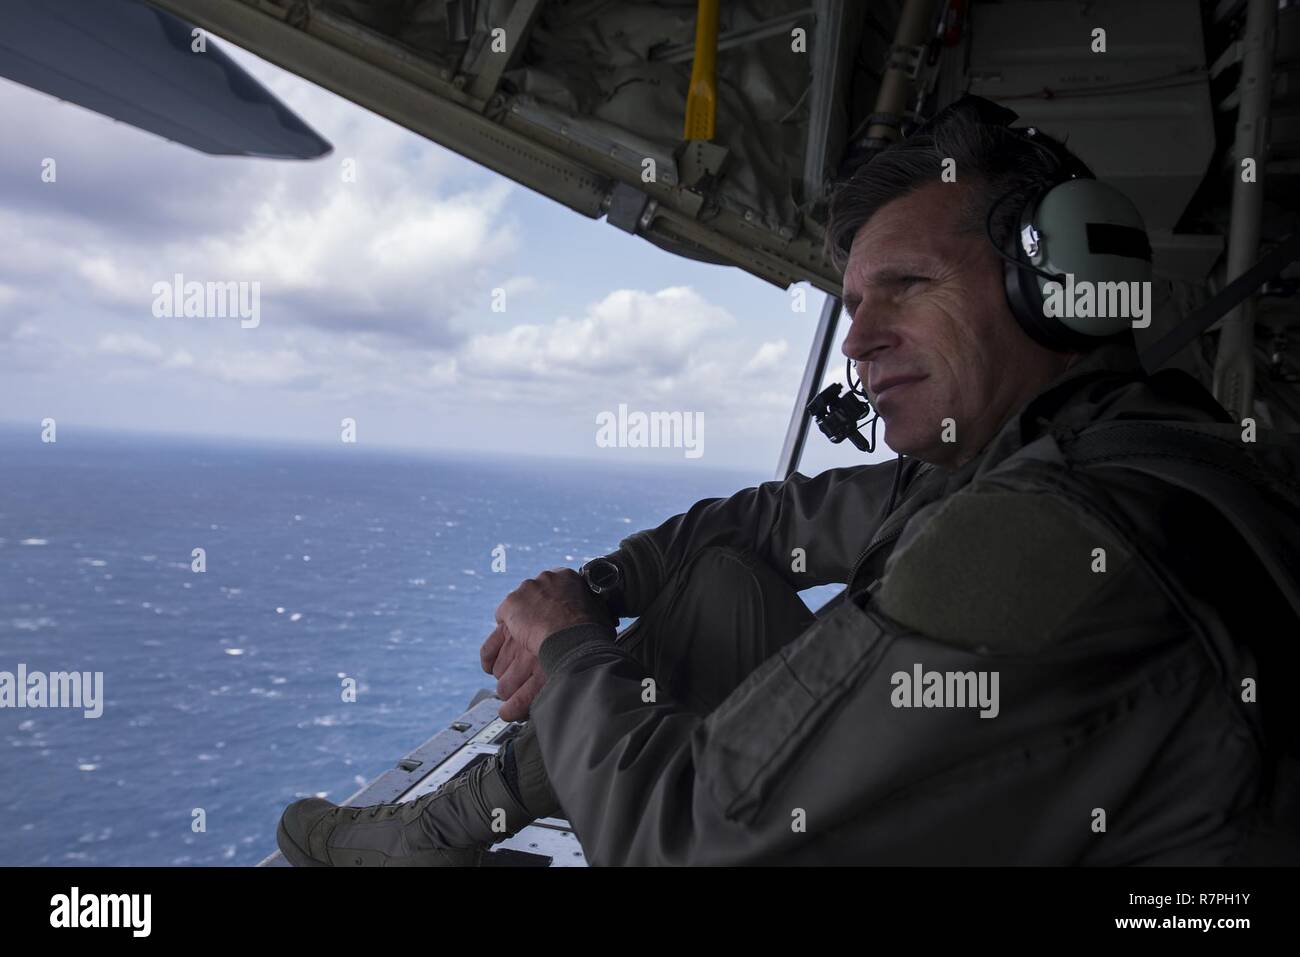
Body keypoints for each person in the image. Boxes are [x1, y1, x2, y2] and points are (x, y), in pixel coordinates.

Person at [277, 96, 1300, 867]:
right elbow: (767, 522)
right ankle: (443, 831)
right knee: (719, 580)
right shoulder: (1071, 449)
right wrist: (596, 588)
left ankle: (426, 841)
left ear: (1059, 285)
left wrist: (570, 644)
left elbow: (689, 845)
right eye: (852, 303)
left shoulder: (1045, 531)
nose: (858, 337)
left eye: (905, 286)